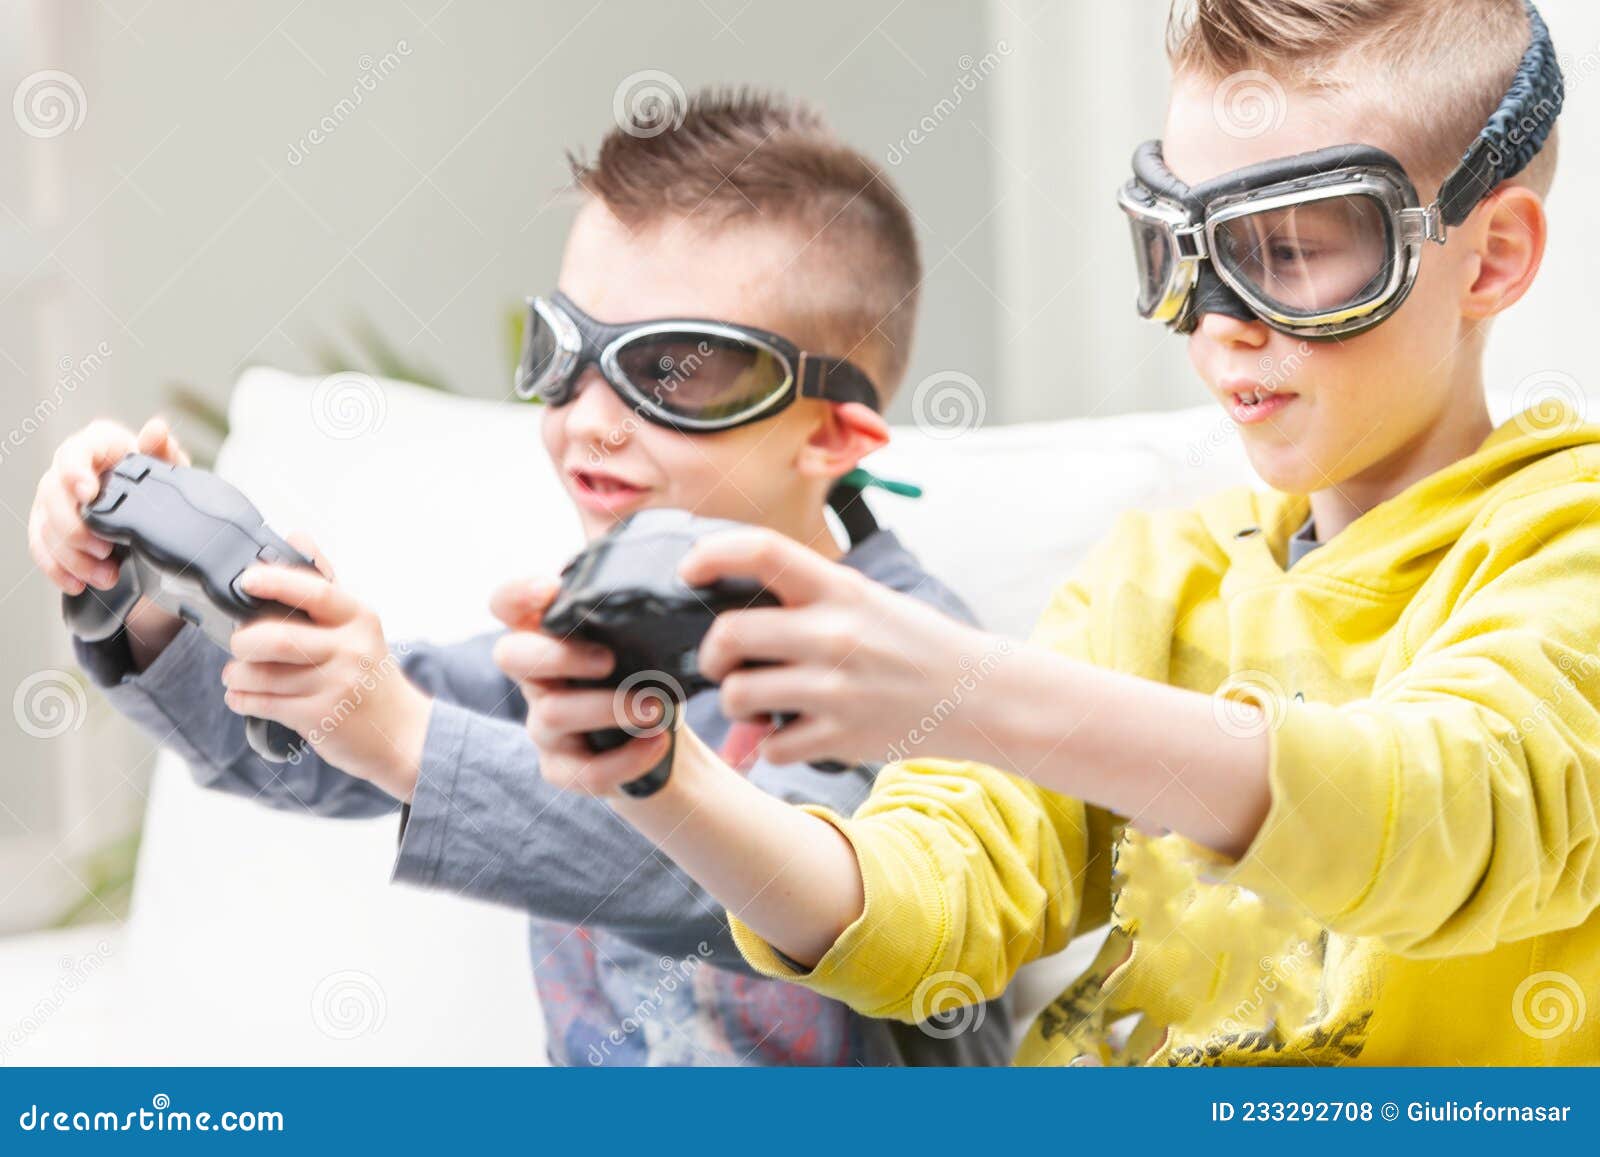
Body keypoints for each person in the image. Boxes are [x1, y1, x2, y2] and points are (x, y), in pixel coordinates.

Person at [502, 0, 1600, 1063]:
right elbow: (935, 902)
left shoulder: (1564, 543)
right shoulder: (1158, 575)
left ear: (1491, 255)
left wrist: (977, 691)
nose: (1216, 319)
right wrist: (667, 781)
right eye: (1181, 244)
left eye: (1291, 249)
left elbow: (1453, 811)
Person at [28, 90, 1010, 1067]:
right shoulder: (584, 631)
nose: (589, 415)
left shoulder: (910, 664)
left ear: (833, 433)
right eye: (563, 348)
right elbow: (301, 748)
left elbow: (743, 887)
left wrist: (408, 737)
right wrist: (139, 601)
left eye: (675, 369)